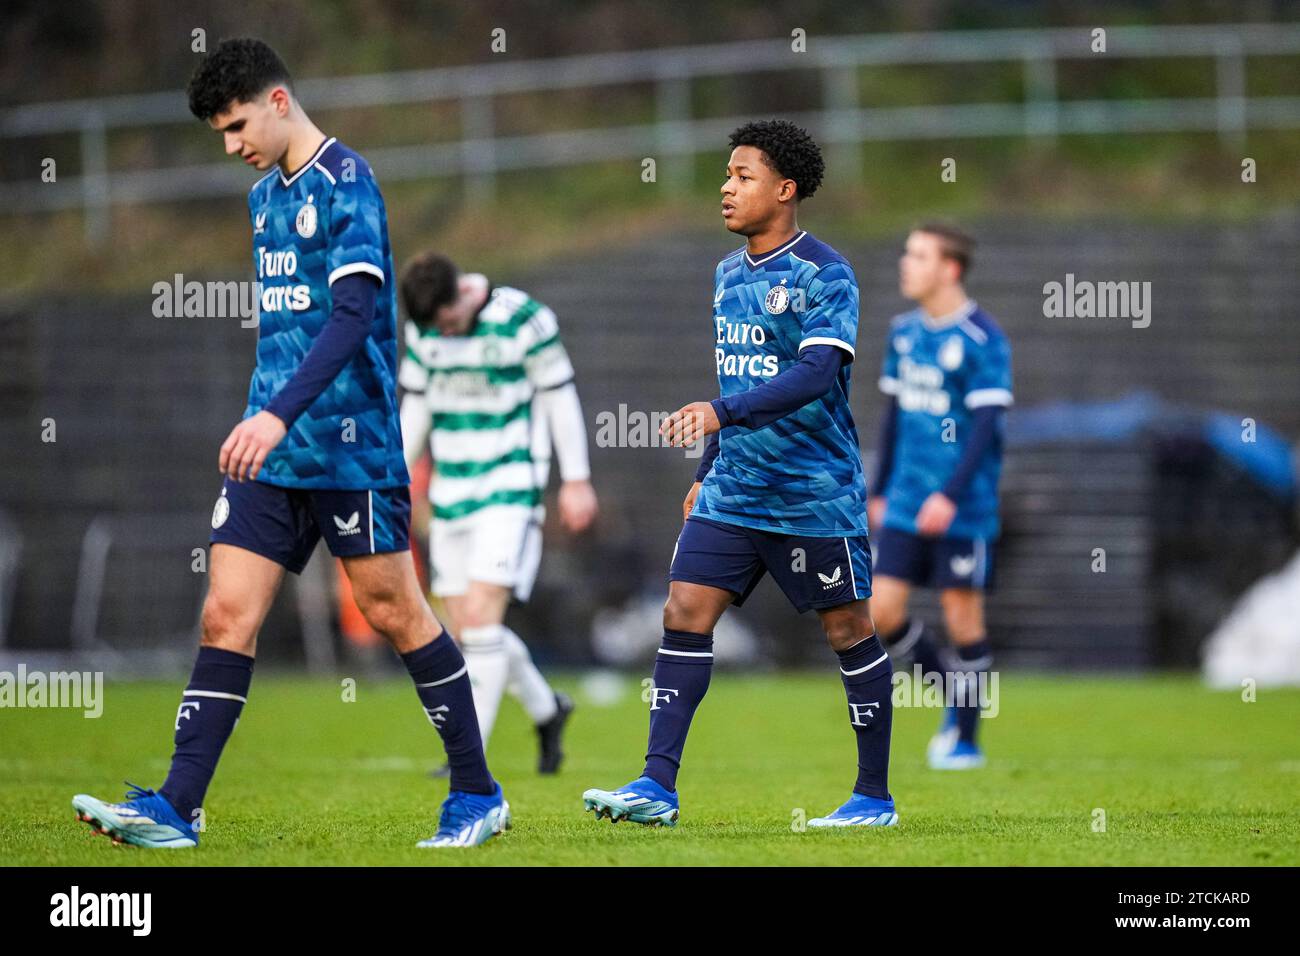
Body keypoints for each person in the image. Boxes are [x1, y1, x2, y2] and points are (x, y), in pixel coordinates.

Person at [70, 38, 508, 849]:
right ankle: (178, 806)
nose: (232, 146)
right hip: (275, 454)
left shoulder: (349, 184)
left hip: (351, 446)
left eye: (237, 126)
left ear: (279, 101)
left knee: (394, 610)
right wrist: (266, 420)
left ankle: (477, 792)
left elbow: (350, 321)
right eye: (219, 135)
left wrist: (277, 413)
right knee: (225, 612)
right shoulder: (264, 198)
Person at [582, 120, 897, 829]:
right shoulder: (726, 275)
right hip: (735, 490)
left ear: (784, 190)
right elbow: (735, 372)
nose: (726, 188)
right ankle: (655, 786)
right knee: (682, 611)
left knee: (848, 628)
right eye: (726, 175)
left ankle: (873, 797)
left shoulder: (826, 273)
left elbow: (817, 374)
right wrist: (709, 464)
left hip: (813, 494)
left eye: (743, 176)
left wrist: (721, 415)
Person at [398, 252, 598, 774]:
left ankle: (468, 757)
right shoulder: (424, 330)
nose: (444, 334)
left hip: (510, 487)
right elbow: (416, 404)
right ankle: (548, 709)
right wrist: (397, 479)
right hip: (451, 493)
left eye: (448, 323)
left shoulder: (523, 319)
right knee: (468, 631)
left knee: (483, 618)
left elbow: (560, 398)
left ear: (462, 293)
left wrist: (576, 480)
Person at [869, 223, 1013, 770]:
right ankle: (953, 695)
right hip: (905, 500)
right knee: (882, 614)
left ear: (949, 269)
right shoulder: (903, 333)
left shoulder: (983, 339)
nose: (906, 264)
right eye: (908, 253)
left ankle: (967, 739)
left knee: (962, 617)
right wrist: (879, 489)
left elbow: (985, 429)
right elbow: (892, 418)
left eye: (919, 255)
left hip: (963, 506)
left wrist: (950, 495)